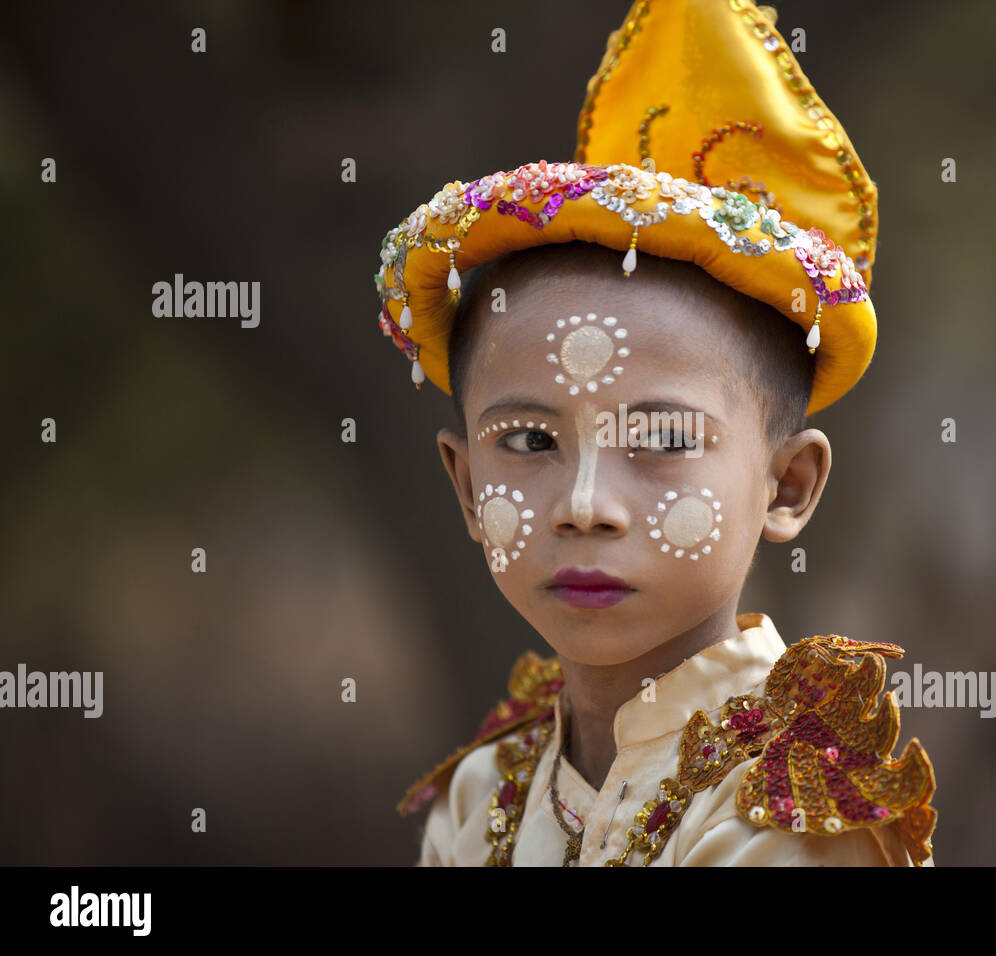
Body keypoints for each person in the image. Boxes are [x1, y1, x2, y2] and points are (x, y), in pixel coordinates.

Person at [374, 0, 936, 866]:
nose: (586, 506)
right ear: (466, 487)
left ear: (788, 486)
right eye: (528, 442)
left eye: (664, 438)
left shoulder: (785, 817)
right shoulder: (486, 793)